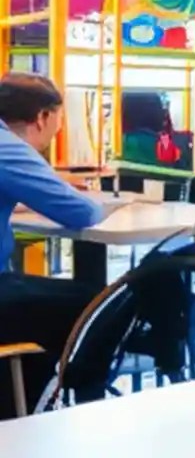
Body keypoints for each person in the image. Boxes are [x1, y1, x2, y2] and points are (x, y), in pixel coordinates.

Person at [0, 73, 106, 419]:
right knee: (96, 304)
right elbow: (83, 213)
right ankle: (81, 411)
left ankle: (22, 404)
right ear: (43, 117)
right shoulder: (10, 147)